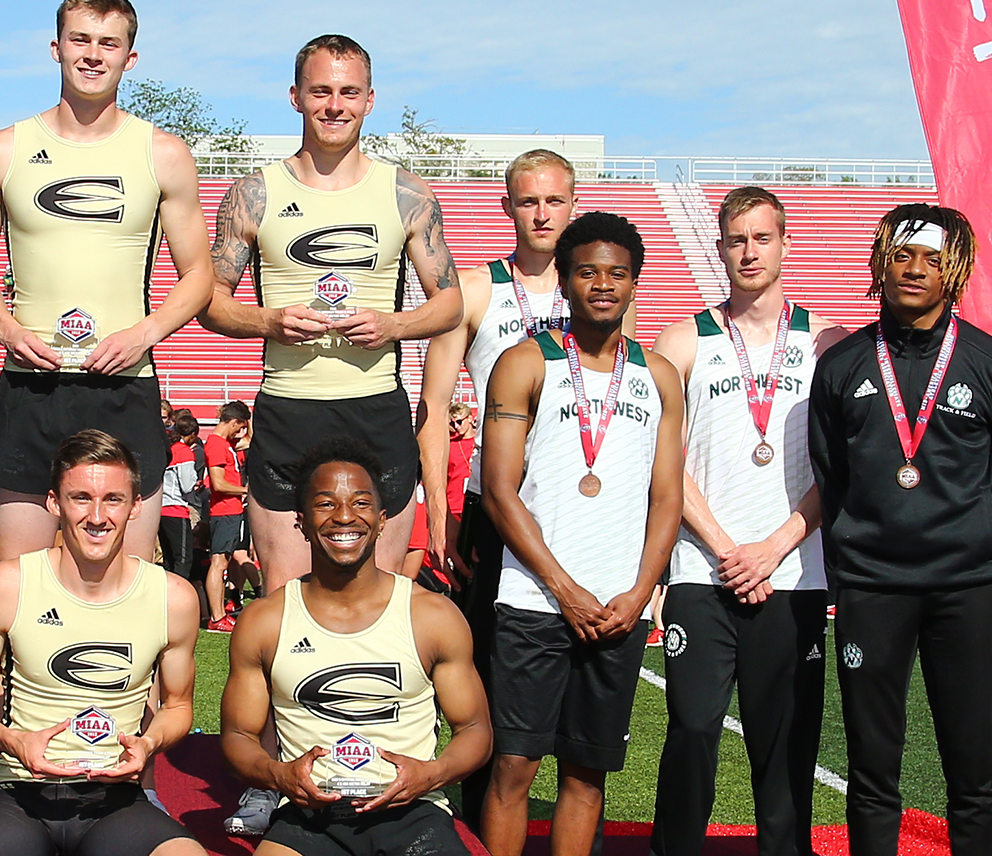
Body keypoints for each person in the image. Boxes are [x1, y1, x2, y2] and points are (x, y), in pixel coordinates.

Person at [200, 33, 463, 595]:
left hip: (376, 412)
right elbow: (209, 300)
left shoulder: (406, 193)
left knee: (381, 598)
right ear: (295, 96)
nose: (335, 105)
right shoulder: (254, 193)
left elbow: (450, 304)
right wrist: (269, 322)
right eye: (321, 91)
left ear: (370, 100)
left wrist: (393, 325)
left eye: (349, 92)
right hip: (288, 410)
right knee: (284, 596)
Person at [0, 0, 213, 562]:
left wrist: (143, 334)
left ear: (130, 57)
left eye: (109, 43)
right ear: (56, 47)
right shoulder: (2, 149)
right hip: (31, 386)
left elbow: (198, 274)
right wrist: (8, 330)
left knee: (129, 584)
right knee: (21, 582)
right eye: (80, 39)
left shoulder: (162, 153)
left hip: (124, 386)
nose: (93, 54)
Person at [478, 212, 683, 856]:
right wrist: (562, 588)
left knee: (587, 776)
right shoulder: (523, 362)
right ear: (564, 280)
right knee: (513, 769)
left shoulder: (660, 376)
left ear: (634, 283)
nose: (602, 285)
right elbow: (501, 493)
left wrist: (641, 591)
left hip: (619, 609)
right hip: (535, 603)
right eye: (587, 272)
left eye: (617, 274)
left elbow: (668, 496)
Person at [648, 187, 843, 856]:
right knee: (694, 732)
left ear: (785, 245)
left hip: (793, 575)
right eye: (737, 239)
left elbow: (839, 467)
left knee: (784, 743)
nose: (750, 251)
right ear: (720, 246)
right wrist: (732, 550)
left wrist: (776, 546)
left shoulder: (827, 343)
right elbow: (660, 457)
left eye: (763, 238)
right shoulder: (682, 340)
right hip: (704, 573)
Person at [810, 203, 992, 856]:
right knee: (872, 770)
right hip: (873, 591)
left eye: (933, 258)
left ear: (955, 270)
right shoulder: (843, 366)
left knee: (976, 773)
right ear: (881, 263)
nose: (915, 269)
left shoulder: (983, 361)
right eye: (903, 255)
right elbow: (832, 477)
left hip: (968, 590)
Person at [221, 436, 491, 855]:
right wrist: (279, 776)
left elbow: (475, 730)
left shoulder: (433, 616)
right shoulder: (265, 621)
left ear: (383, 520)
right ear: (302, 521)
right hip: (309, 818)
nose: (344, 517)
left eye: (361, 503)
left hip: (411, 812)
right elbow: (238, 735)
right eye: (326, 504)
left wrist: (431, 774)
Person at [0, 430, 204, 856]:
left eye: (113, 499)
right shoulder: (10, 583)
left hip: (115, 798)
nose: (97, 516)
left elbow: (177, 706)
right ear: (53, 502)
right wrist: (11, 741)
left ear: (135, 506)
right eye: (80, 497)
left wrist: (149, 744)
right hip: (20, 794)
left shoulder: (173, 597)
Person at [205, 401, 256, 632]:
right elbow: (218, 484)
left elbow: (252, 440)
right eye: (240, 426)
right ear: (234, 423)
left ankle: (220, 613)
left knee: (224, 560)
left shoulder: (225, 444)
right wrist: (246, 491)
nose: (240, 432)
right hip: (224, 511)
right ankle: (216, 618)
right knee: (218, 563)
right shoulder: (216, 444)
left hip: (231, 511)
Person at [159, 412, 201, 584]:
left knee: (168, 560)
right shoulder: (183, 452)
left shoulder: (167, 449)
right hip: (177, 508)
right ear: (192, 435)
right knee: (183, 559)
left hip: (161, 509)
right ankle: (179, 596)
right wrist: (196, 483)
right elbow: (186, 485)